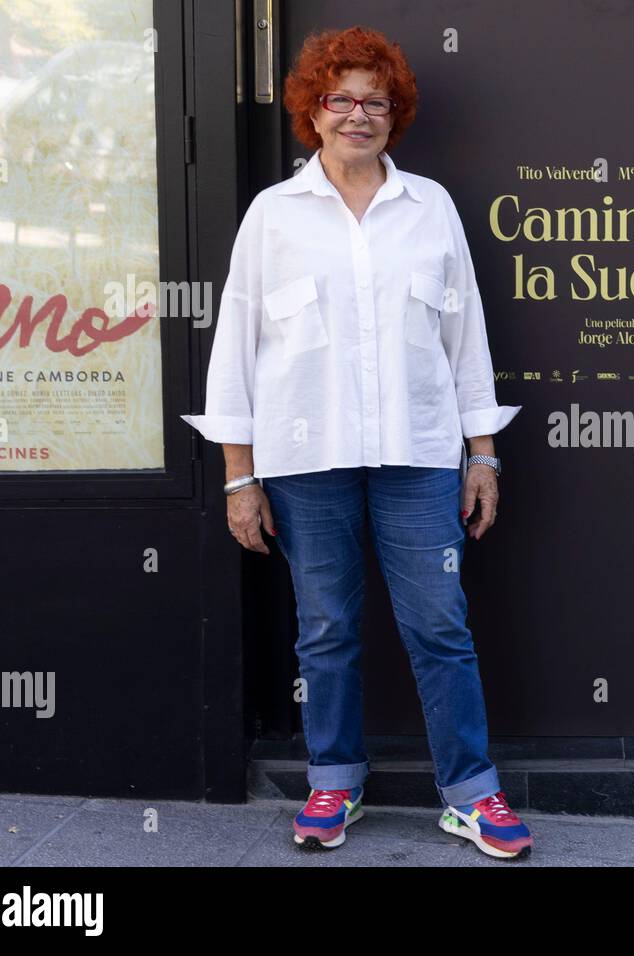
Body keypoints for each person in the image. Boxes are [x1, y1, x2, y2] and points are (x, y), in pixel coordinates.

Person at [180, 25, 532, 860]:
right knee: (327, 630)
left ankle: (471, 794)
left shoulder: (431, 208)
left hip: (418, 456)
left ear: (394, 113)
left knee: (440, 625)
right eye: (340, 99)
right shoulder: (273, 216)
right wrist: (239, 477)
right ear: (313, 108)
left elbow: (466, 338)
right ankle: (334, 780)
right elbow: (235, 345)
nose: (357, 116)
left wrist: (481, 454)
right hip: (307, 464)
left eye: (376, 101)